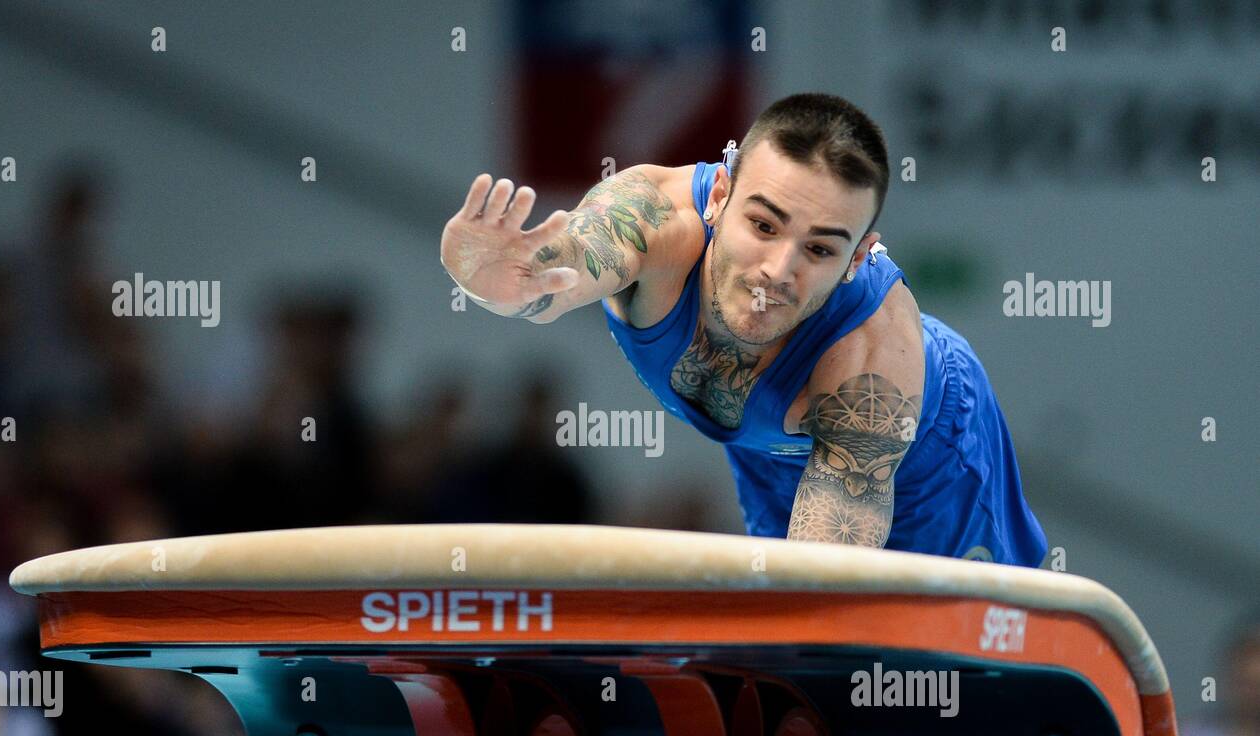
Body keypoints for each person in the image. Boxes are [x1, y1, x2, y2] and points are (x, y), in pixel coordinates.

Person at [440, 93, 1047, 566]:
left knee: (943, 664)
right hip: (767, 449)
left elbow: (826, 584)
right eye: (763, 225)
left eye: (819, 249)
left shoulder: (871, 365)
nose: (777, 272)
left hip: (923, 456)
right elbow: (556, 277)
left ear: (858, 259)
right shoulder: (655, 221)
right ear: (719, 196)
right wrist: (501, 281)